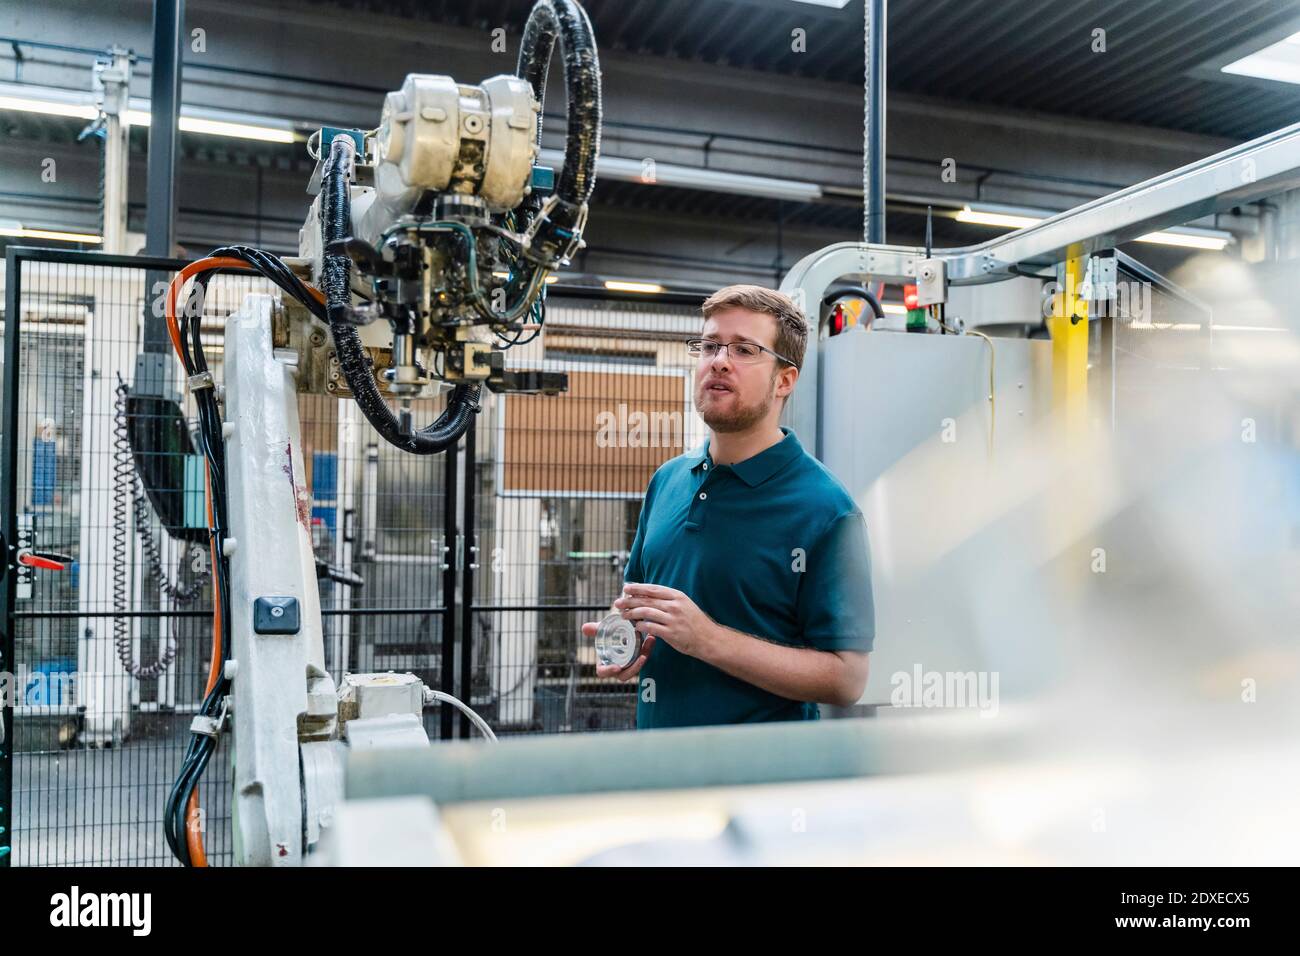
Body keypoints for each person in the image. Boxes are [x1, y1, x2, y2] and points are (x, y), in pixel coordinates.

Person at [581, 284, 875, 728]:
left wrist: (708, 640)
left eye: (743, 349)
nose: (719, 360)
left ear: (785, 380)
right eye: (710, 345)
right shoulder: (667, 481)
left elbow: (847, 679)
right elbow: (639, 605)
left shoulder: (827, 511)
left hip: (761, 784)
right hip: (661, 770)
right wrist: (626, 636)